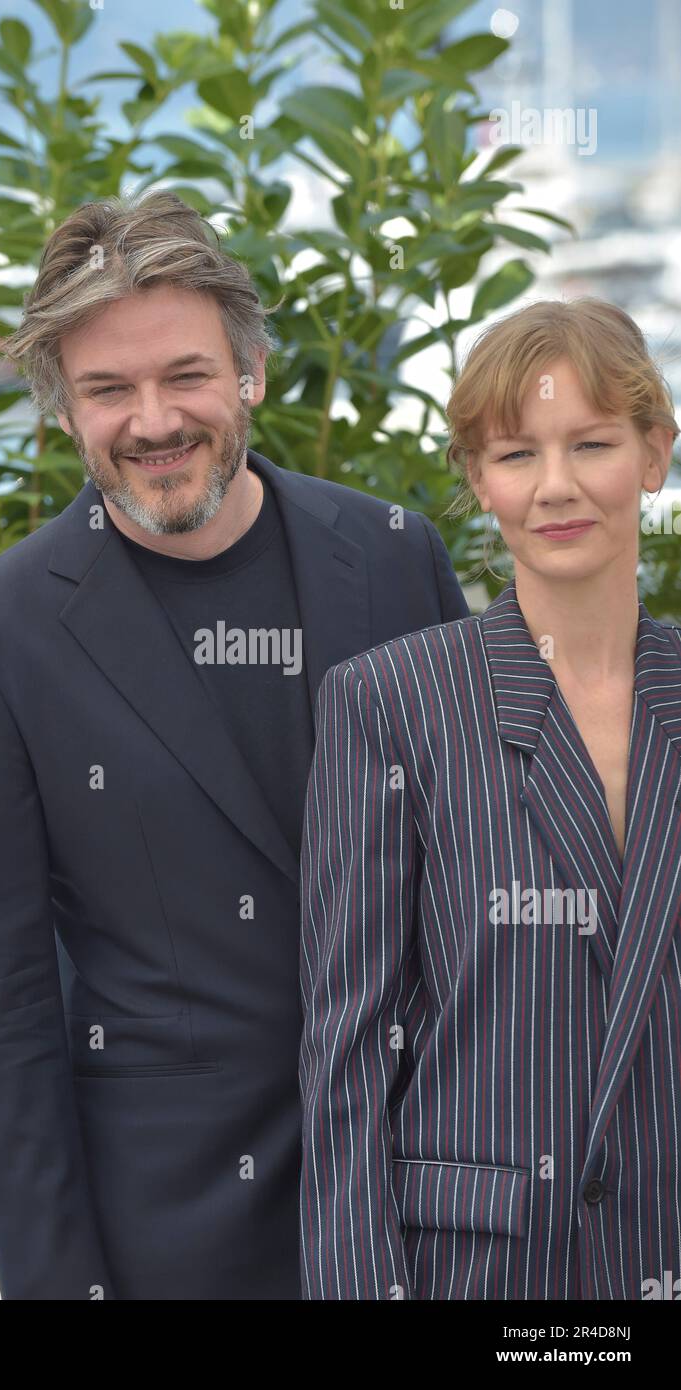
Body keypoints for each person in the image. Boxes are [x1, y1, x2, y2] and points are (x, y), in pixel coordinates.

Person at [0, 187, 469, 1300]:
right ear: (62, 412)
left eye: (186, 375)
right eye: (108, 389)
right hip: (175, 1241)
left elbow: (472, 894)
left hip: (429, 1208)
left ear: (251, 371)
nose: (154, 420)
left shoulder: (395, 557)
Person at [299, 297, 681, 1300]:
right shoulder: (388, 704)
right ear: (474, 479)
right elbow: (346, 1057)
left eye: (591, 443)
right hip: (485, 1274)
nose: (554, 487)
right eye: (514, 454)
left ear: (654, 452)